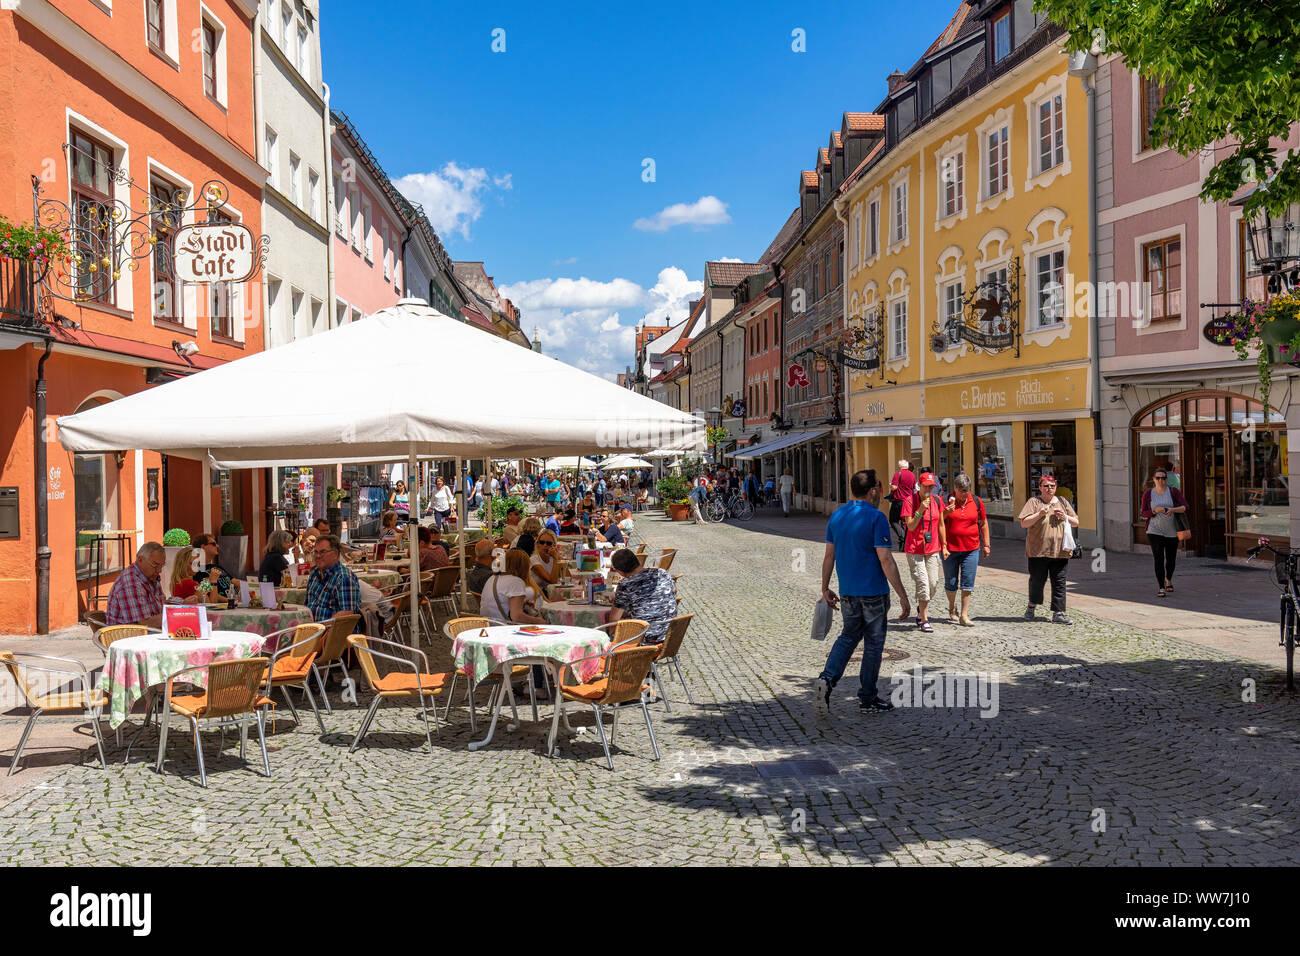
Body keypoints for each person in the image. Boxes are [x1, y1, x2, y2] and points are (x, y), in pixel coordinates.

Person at [814, 470, 912, 715]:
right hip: (874, 593)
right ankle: (868, 698)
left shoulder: (837, 516)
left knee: (847, 637)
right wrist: (902, 594)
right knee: (873, 645)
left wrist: (825, 588)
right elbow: (886, 559)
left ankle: (826, 679)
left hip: (847, 592)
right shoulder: (876, 518)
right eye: (877, 488)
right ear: (872, 491)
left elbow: (829, 556)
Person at [1017, 474, 1079, 624]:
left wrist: (1065, 517)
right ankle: (1032, 606)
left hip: (1060, 550)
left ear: (1056, 487)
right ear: (1040, 487)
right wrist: (1039, 514)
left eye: (1052, 486)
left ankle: (1058, 613)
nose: (1049, 489)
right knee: (1037, 581)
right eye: (1046, 486)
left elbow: (1076, 522)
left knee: (1059, 582)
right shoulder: (1034, 502)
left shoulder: (1063, 502)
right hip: (1038, 551)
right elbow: (1024, 523)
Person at [941, 474, 991, 626]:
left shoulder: (975, 501)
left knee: (968, 582)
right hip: (950, 549)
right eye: (962, 490)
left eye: (967, 490)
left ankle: (964, 615)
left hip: (971, 548)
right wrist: (945, 513)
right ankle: (952, 607)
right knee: (951, 582)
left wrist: (987, 544)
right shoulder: (945, 501)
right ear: (955, 488)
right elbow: (938, 523)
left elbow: (983, 523)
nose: (964, 494)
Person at [900, 472, 945, 632]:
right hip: (915, 549)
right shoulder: (909, 501)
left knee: (933, 583)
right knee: (923, 583)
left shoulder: (937, 501)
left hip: (932, 549)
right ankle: (925, 619)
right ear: (919, 485)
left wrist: (944, 545)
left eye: (931, 486)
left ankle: (920, 609)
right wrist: (920, 510)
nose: (928, 488)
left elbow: (941, 524)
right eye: (925, 485)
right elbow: (911, 526)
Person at [608, 547, 678, 643]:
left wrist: (610, 635)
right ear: (637, 561)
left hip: (643, 640)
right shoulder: (662, 573)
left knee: (607, 637)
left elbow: (614, 620)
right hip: (669, 637)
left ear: (620, 572)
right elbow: (674, 590)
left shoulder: (626, 584)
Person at [1141, 468, 1188, 597]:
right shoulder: (1148, 494)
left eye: (1163, 478)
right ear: (1153, 479)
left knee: (1171, 558)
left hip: (1172, 530)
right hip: (1154, 530)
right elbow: (1144, 513)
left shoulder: (1173, 492)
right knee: (1158, 558)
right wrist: (1154, 511)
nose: (1160, 480)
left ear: (1166, 480)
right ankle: (1161, 587)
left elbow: (1184, 507)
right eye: (1158, 478)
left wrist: (1172, 510)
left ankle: (1169, 579)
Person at [107, 542, 167, 625]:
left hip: (148, 632)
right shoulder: (131, 584)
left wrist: (183, 606)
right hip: (128, 636)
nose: (159, 570)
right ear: (140, 560)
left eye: (161, 566)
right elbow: (144, 624)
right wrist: (174, 615)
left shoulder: (151, 576)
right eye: (155, 565)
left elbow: (161, 606)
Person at [305, 534, 361, 623]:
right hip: (312, 631)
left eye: (323, 552)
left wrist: (320, 629)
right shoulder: (314, 574)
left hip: (334, 634)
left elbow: (348, 614)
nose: (318, 556)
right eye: (316, 552)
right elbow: (307, 606)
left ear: (335, 554)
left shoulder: (344, 578)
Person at [481, 548, 546, 624]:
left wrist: (522, 604)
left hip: (487, 626)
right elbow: (517, 617)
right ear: (523, 567)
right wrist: (540, 621)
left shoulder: (492, 578)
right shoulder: (516, 582)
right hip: (503, 629)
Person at [889, 461, 915, 549]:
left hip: (899, 500)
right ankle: (906, 542)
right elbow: (914, 487)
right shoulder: (912, 475)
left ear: (900, 466)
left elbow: (894, 487)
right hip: (909, 501)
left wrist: (891, 485)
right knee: (908, 521)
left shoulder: (898, 474)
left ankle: (903, 536)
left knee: (893, 520)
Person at [530, 530, 563, 595]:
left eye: (549, 543)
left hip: (549, 594)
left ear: (554, 545)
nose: (545, 545)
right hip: (537, 596)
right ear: (537, 544)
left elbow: (568, 577)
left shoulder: (553, 559)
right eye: (542, 542)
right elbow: (552, 581)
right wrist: (556, 559)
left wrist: (558, 558)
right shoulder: (533, 560)